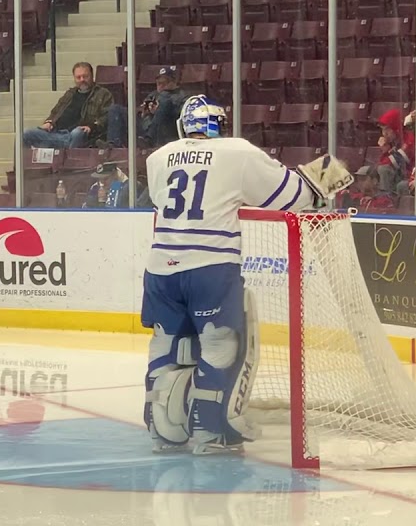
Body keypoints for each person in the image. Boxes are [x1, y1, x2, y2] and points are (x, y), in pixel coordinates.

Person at [142, 95, 353, 455]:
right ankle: (213, 431)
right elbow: (290, 197)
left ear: (183, 127)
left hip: (161, 268)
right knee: (221, 345)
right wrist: (320, 180)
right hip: (211, 267)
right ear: (219, 126)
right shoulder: (237, 152)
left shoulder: (157, 157)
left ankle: (162, 426)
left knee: (166, 341)